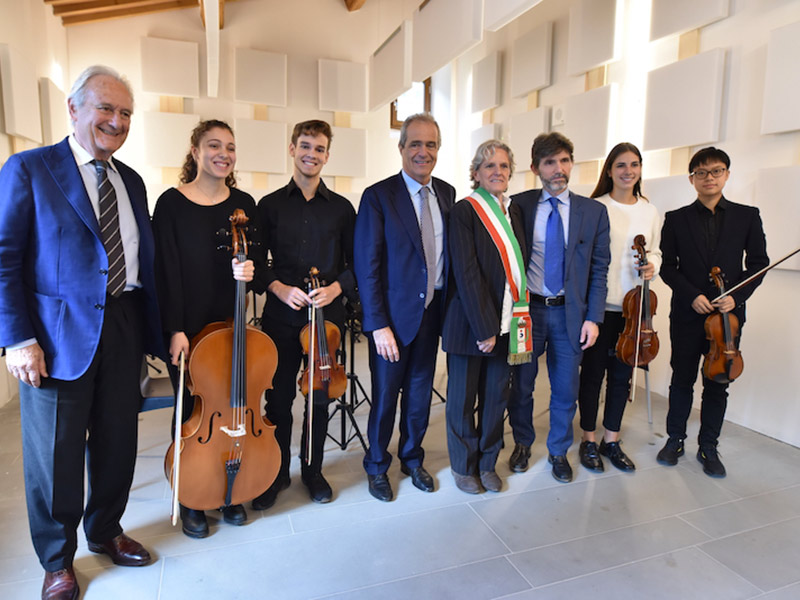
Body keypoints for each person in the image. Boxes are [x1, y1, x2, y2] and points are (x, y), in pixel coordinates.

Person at [0, 65, 162, 600]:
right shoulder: (28, 169)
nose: (116, 122)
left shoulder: (131, 180)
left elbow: (143, 261)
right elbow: (4, 258)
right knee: (55, 455)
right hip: (54, 337)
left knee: (119, 442)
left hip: (123, 324)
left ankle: (106, 531)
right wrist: (17, 338)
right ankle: (56, 560)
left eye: (125, 114)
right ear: (74, 110)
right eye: (106, 109)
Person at [152, 119, 263, 538]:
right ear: (195, 151)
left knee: (233, 407)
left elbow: (255, 263)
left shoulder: (244, 204)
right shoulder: (172, 204)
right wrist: (175, 329)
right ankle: (191, 496)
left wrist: (250, 271)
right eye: (214, 145)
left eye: (230, 147)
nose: (224, 153)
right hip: (189, 328)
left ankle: (230, 491)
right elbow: (167, 271)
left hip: (232, 325)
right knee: (192, 414)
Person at [252, 120, 356, 510]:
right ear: (292, 148)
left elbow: (357, 264)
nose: (312, 154)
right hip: (282, 318)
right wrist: (279, 288)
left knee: (319, 398)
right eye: (305, 146)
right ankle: (276, 473)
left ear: (327, 156)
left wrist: (335, 288)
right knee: (278, 399)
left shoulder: (343, 209)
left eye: (320, 148)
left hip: (326, 320)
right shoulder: (270, 205)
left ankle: (312, 470)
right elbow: (258, 266)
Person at [354, 113, 455, 502]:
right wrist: (377, 324)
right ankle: (377, 465)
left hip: (432, 313)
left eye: (430, 145)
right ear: (400, 148)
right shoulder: (379, 197)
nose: (423, 152)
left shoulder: (446, 194)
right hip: (392, 320)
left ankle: (412, 458)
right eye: (415, 143)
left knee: (419, 395)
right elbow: (368, 266)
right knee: (385, 397)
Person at [657, 147, 768, 477]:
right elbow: (668, 268)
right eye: (702, 172)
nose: (709, 178)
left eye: (716, 171)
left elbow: (759, 265)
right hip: (689, 314)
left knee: (719, 380)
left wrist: (737, 297)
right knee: (682, 378)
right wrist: (692, 296)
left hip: (727, 319)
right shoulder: (676, 219)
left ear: (727, 175)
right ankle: (675, 439)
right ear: (692, 179)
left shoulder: (748, 216)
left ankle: (709, 446)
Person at [507, 132, 610, 483]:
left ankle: (558, 451)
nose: (558, 168)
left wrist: (594, 318)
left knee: (565, 389)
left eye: (564, 160)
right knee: (521, 385)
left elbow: (599, 268)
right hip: (528, 313)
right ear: (536, 168)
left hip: (570, 314)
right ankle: (522, 442)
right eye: (550, 162)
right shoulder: (517, 205)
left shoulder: (594, 212)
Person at [442, 140, 528, 494]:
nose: (497, 172)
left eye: (504, 166)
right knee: (463, 400)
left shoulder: (515, 213)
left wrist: (506, 325)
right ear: (476, 173)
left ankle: (488, 462)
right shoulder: (464, 211)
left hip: (509, 324)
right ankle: (463, 467)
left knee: (496, 397)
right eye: (489, 166)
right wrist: (485, 327)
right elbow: (467, 271)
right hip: (471, 325)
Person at [577, 142, 662, 473]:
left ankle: (610, 439)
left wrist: (652, 263)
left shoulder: (650, 211)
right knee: (593, 376)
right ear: (609, 170)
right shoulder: (594, 207)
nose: (628, 171)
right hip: (600, 308)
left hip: (634, 309)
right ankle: (588, 439)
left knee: (622, 378)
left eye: (635, 164)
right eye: (621, 165)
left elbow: (654, 250)